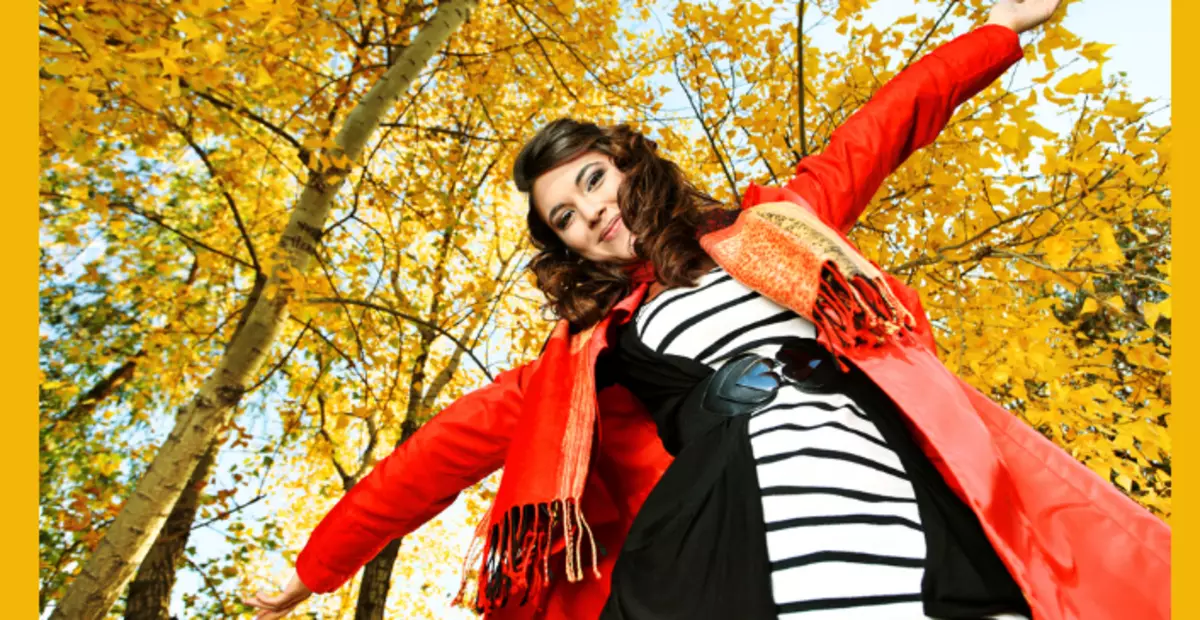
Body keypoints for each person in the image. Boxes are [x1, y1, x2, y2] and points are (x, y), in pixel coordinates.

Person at [246, 1, 1170, 618]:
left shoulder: (776, 223)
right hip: (730, 516)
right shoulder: (583, 358)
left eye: (592, 181)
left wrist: (1003, 25)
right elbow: (433, 456)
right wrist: (312, 570)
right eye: (564, 218)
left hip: (883, 456)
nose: (591, 213)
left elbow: (884, 123)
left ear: (629, 162)